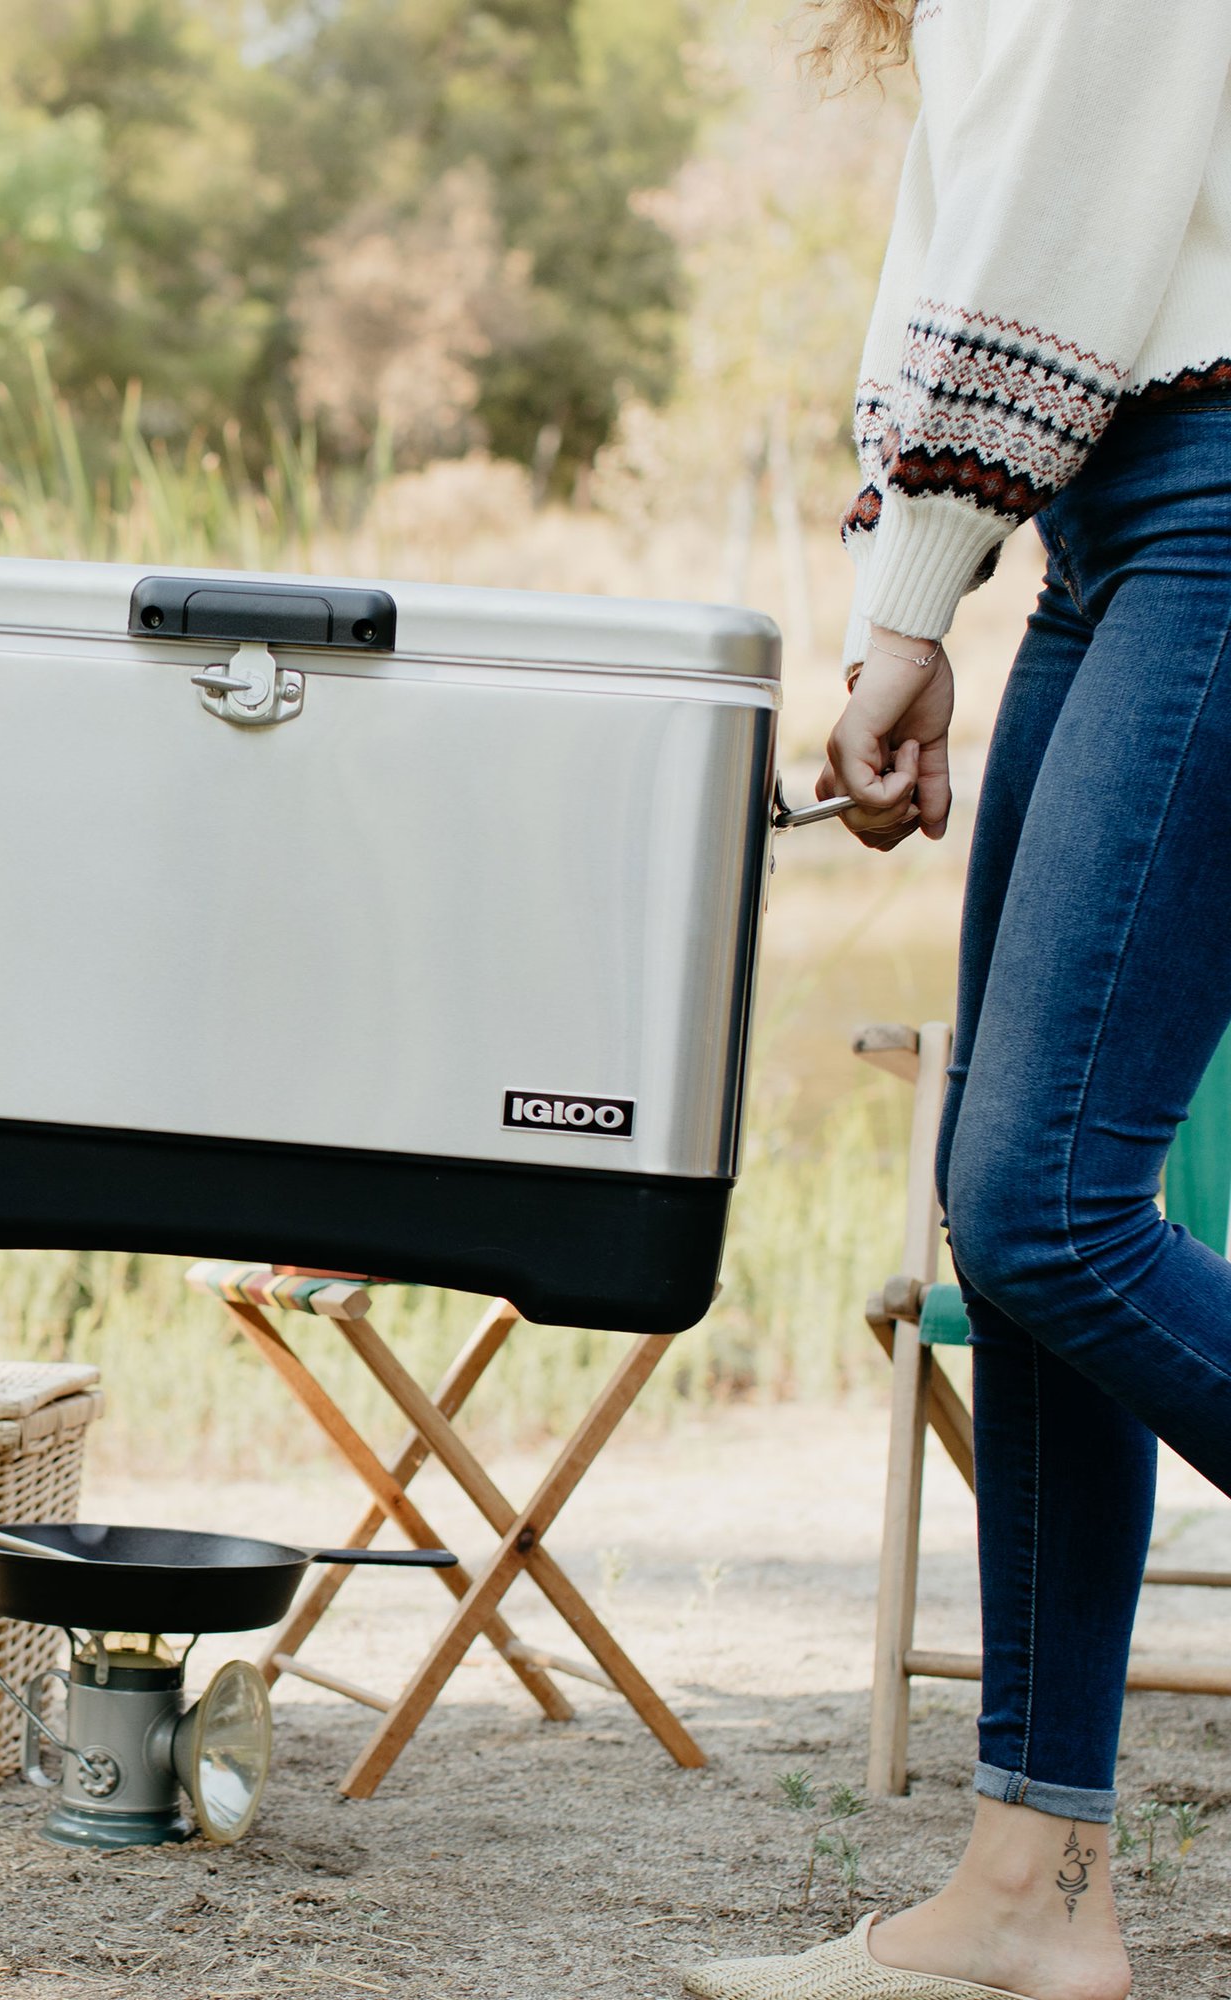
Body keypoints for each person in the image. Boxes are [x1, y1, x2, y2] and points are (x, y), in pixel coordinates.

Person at [684, 4, 1231, 2000]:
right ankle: (1031, 1884)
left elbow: (1059, 217)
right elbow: (963, 226)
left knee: (1043, 1209)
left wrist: (912, 602)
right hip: (1114, 524)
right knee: (1014, 1246)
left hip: (1217, 505)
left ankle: (1032, 1885)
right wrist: (894, 598)